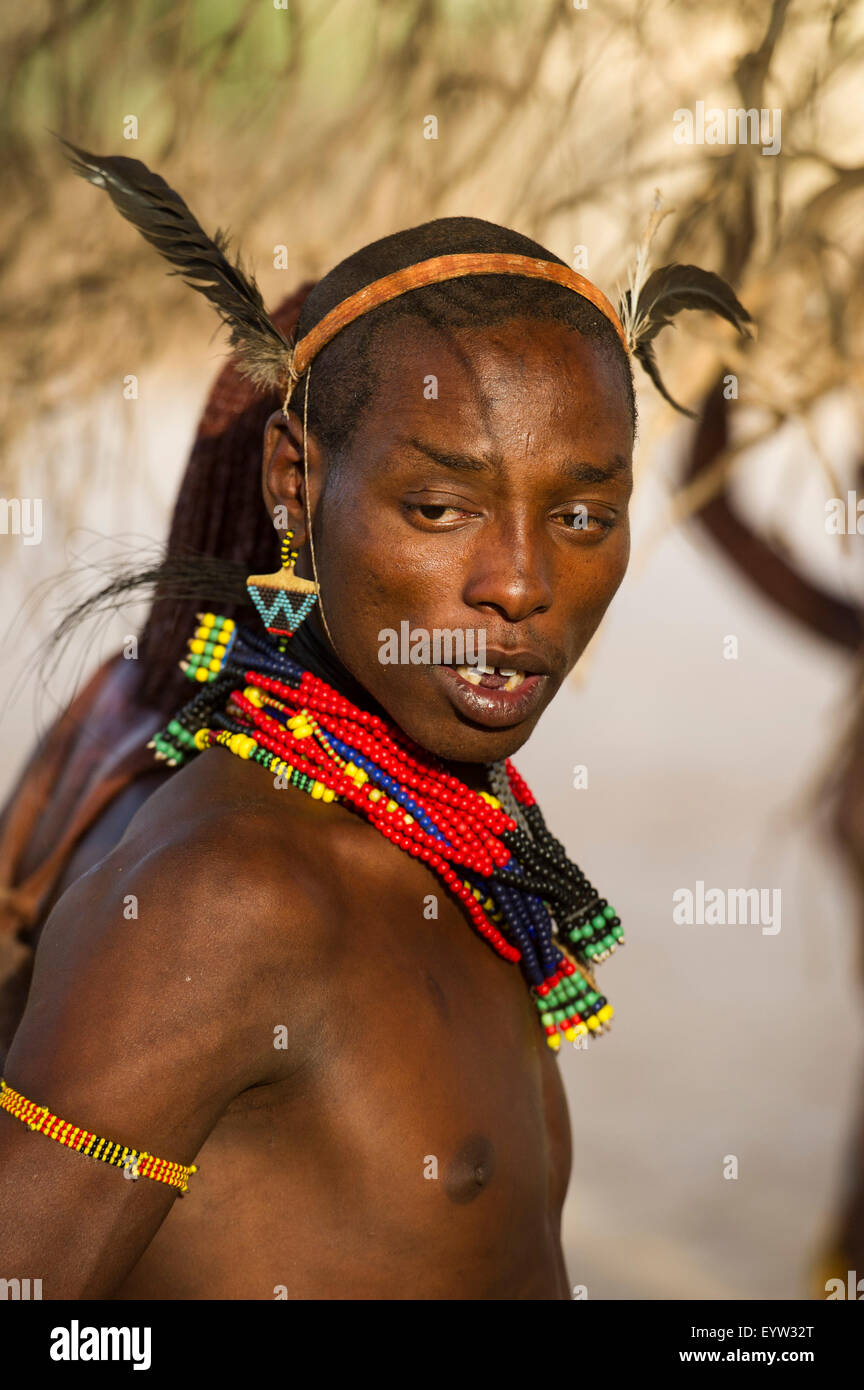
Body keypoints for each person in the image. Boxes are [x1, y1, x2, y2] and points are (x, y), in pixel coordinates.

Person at [0, 143, 749, 1299]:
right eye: (440, 506)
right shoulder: (233, 895)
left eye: (585, 514)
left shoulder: (461, 845)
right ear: (294, 484)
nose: (519, 583)